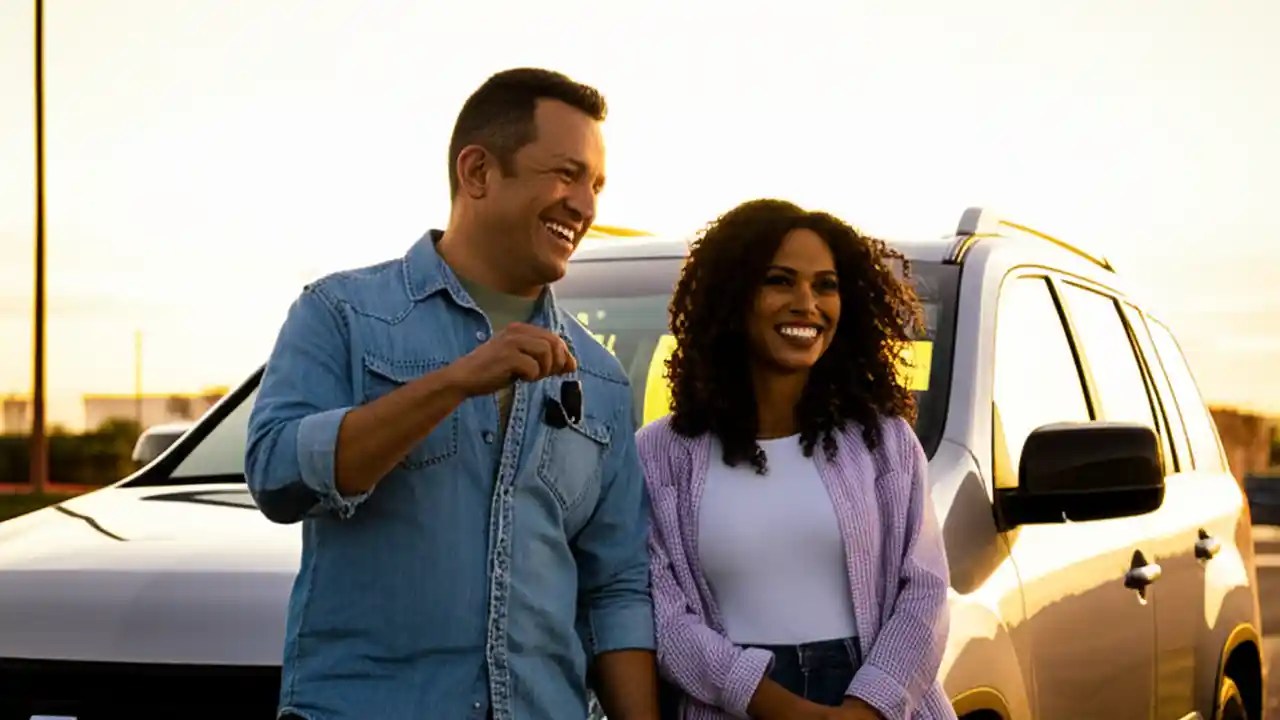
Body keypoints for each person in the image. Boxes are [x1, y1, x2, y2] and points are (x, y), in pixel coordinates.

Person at [244, 67, 659, 720]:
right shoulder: (341, 315)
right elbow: (276, 475)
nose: (585, 205)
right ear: (478, 172)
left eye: (596, 185)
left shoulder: (600, 379)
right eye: (565, 174)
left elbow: (616, 590)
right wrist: (454, 381)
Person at [637, 199, 956, 720]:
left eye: (825, 285)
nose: (807, 303)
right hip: (737, 706)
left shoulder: (886, 443)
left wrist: (864, 708)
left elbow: (924, 592)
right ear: (734, 296)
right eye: (780, 281)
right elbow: (665, 618)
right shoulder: (660, 453)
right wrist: (774, 704)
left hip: (880, 704)